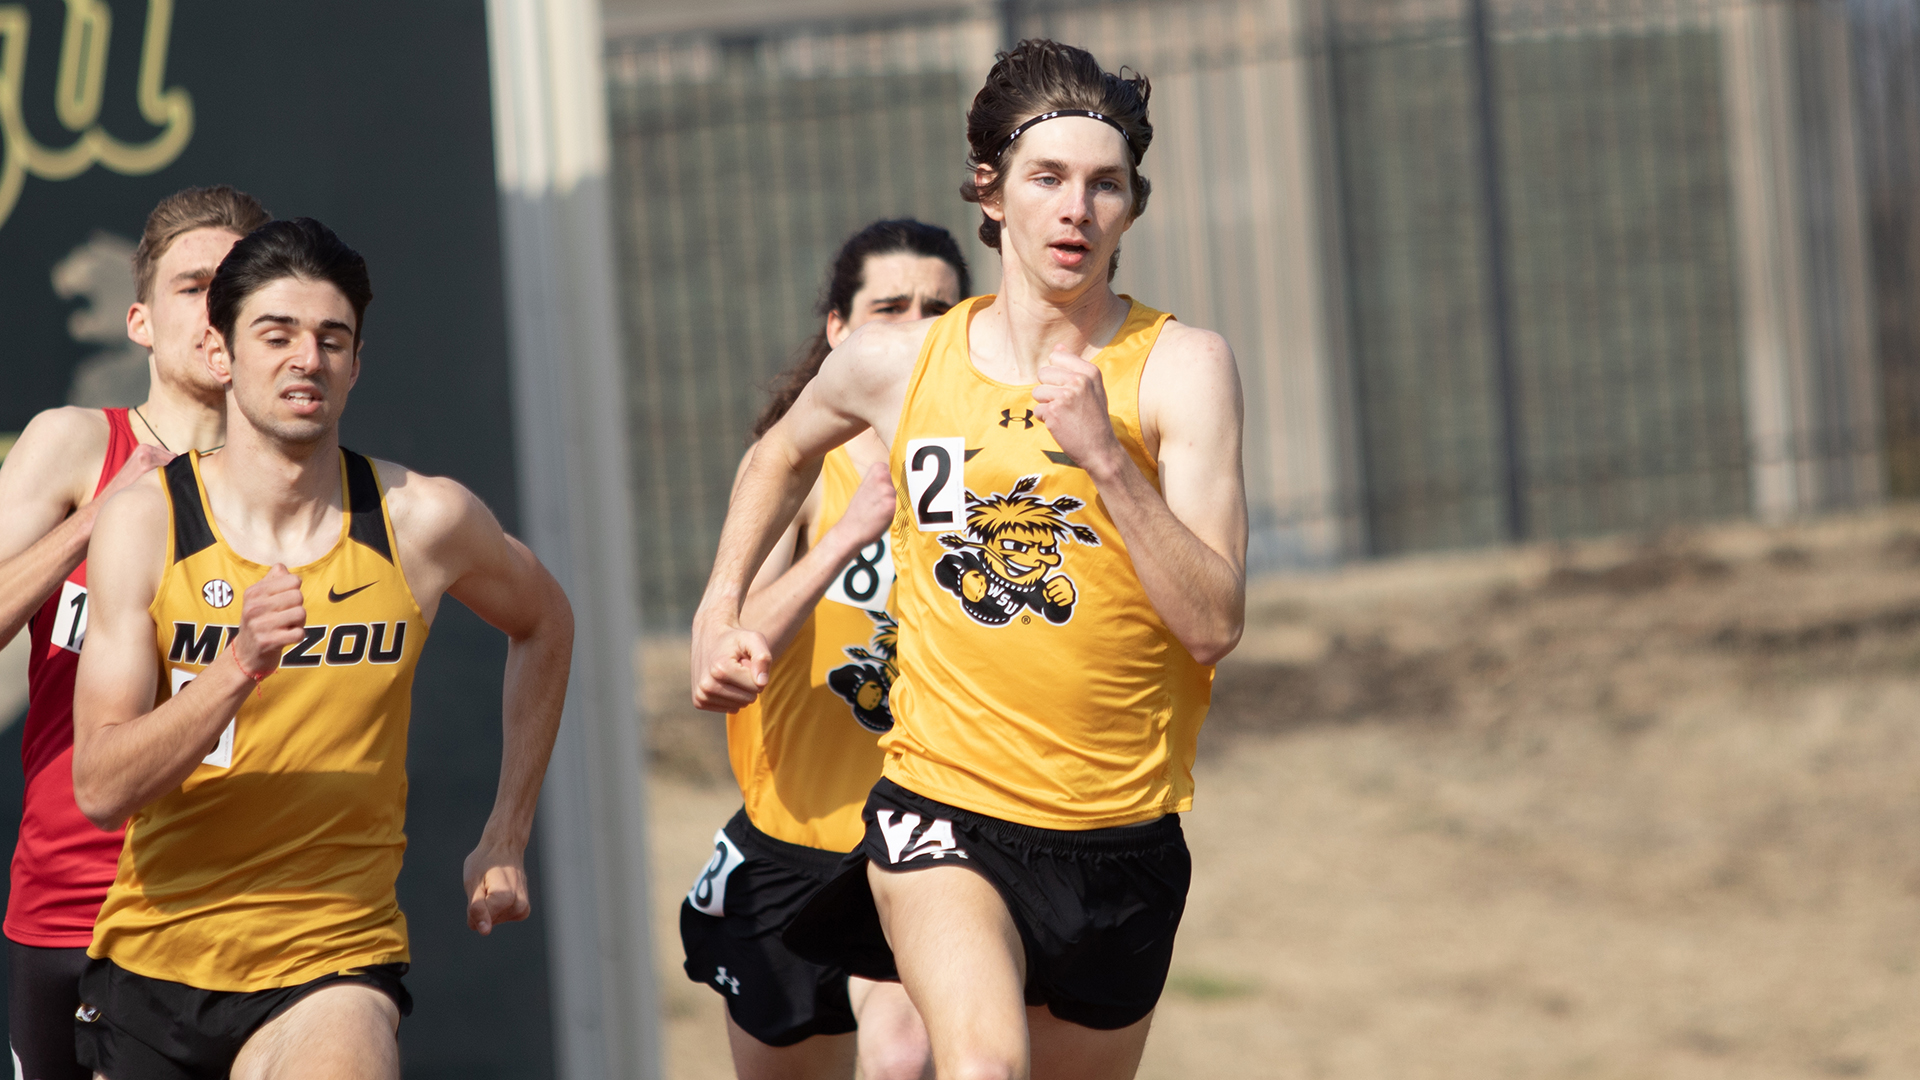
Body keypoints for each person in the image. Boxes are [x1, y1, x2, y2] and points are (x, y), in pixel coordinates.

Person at [691, 39, 1247, 1080]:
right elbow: (777, 452)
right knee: (978, 1068)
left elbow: (1214, 622)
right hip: (943, 810)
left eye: (1105, 185)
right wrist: (717, 611)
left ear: (1132, 205)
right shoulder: (900, 363)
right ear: (991, 193)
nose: (1075, 209)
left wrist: (1108, 465)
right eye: (1048, 180)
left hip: (1121, 835)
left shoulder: (1183, 370)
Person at [69, 218, 573, 1080]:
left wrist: (507, 832)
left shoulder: (421, 520)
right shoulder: (146, 519)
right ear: (223, 354)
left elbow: (545, 622)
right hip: (155, 963)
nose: (308, 358)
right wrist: (235, 669)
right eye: (278, 334)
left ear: (356, 364)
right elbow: (101, 788)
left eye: (331, 339)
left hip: (333, 958)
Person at [681, 219, 968, 1080]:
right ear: (838, 331)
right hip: (790, 846)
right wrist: (848, 535)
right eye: (889, 308)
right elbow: (735, 655)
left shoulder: (984, 466)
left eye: (938, 311)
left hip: (928, 836)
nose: (914, 327)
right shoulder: (798, 468)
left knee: (905, 1052)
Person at [0, 185, 268, 1080]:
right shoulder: (77, 445)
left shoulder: (301, 491)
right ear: (140, 321)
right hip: (71, 906)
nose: (217, 307)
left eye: (240, 285)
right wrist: (95, 523)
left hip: (233, 914)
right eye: (194, 285)